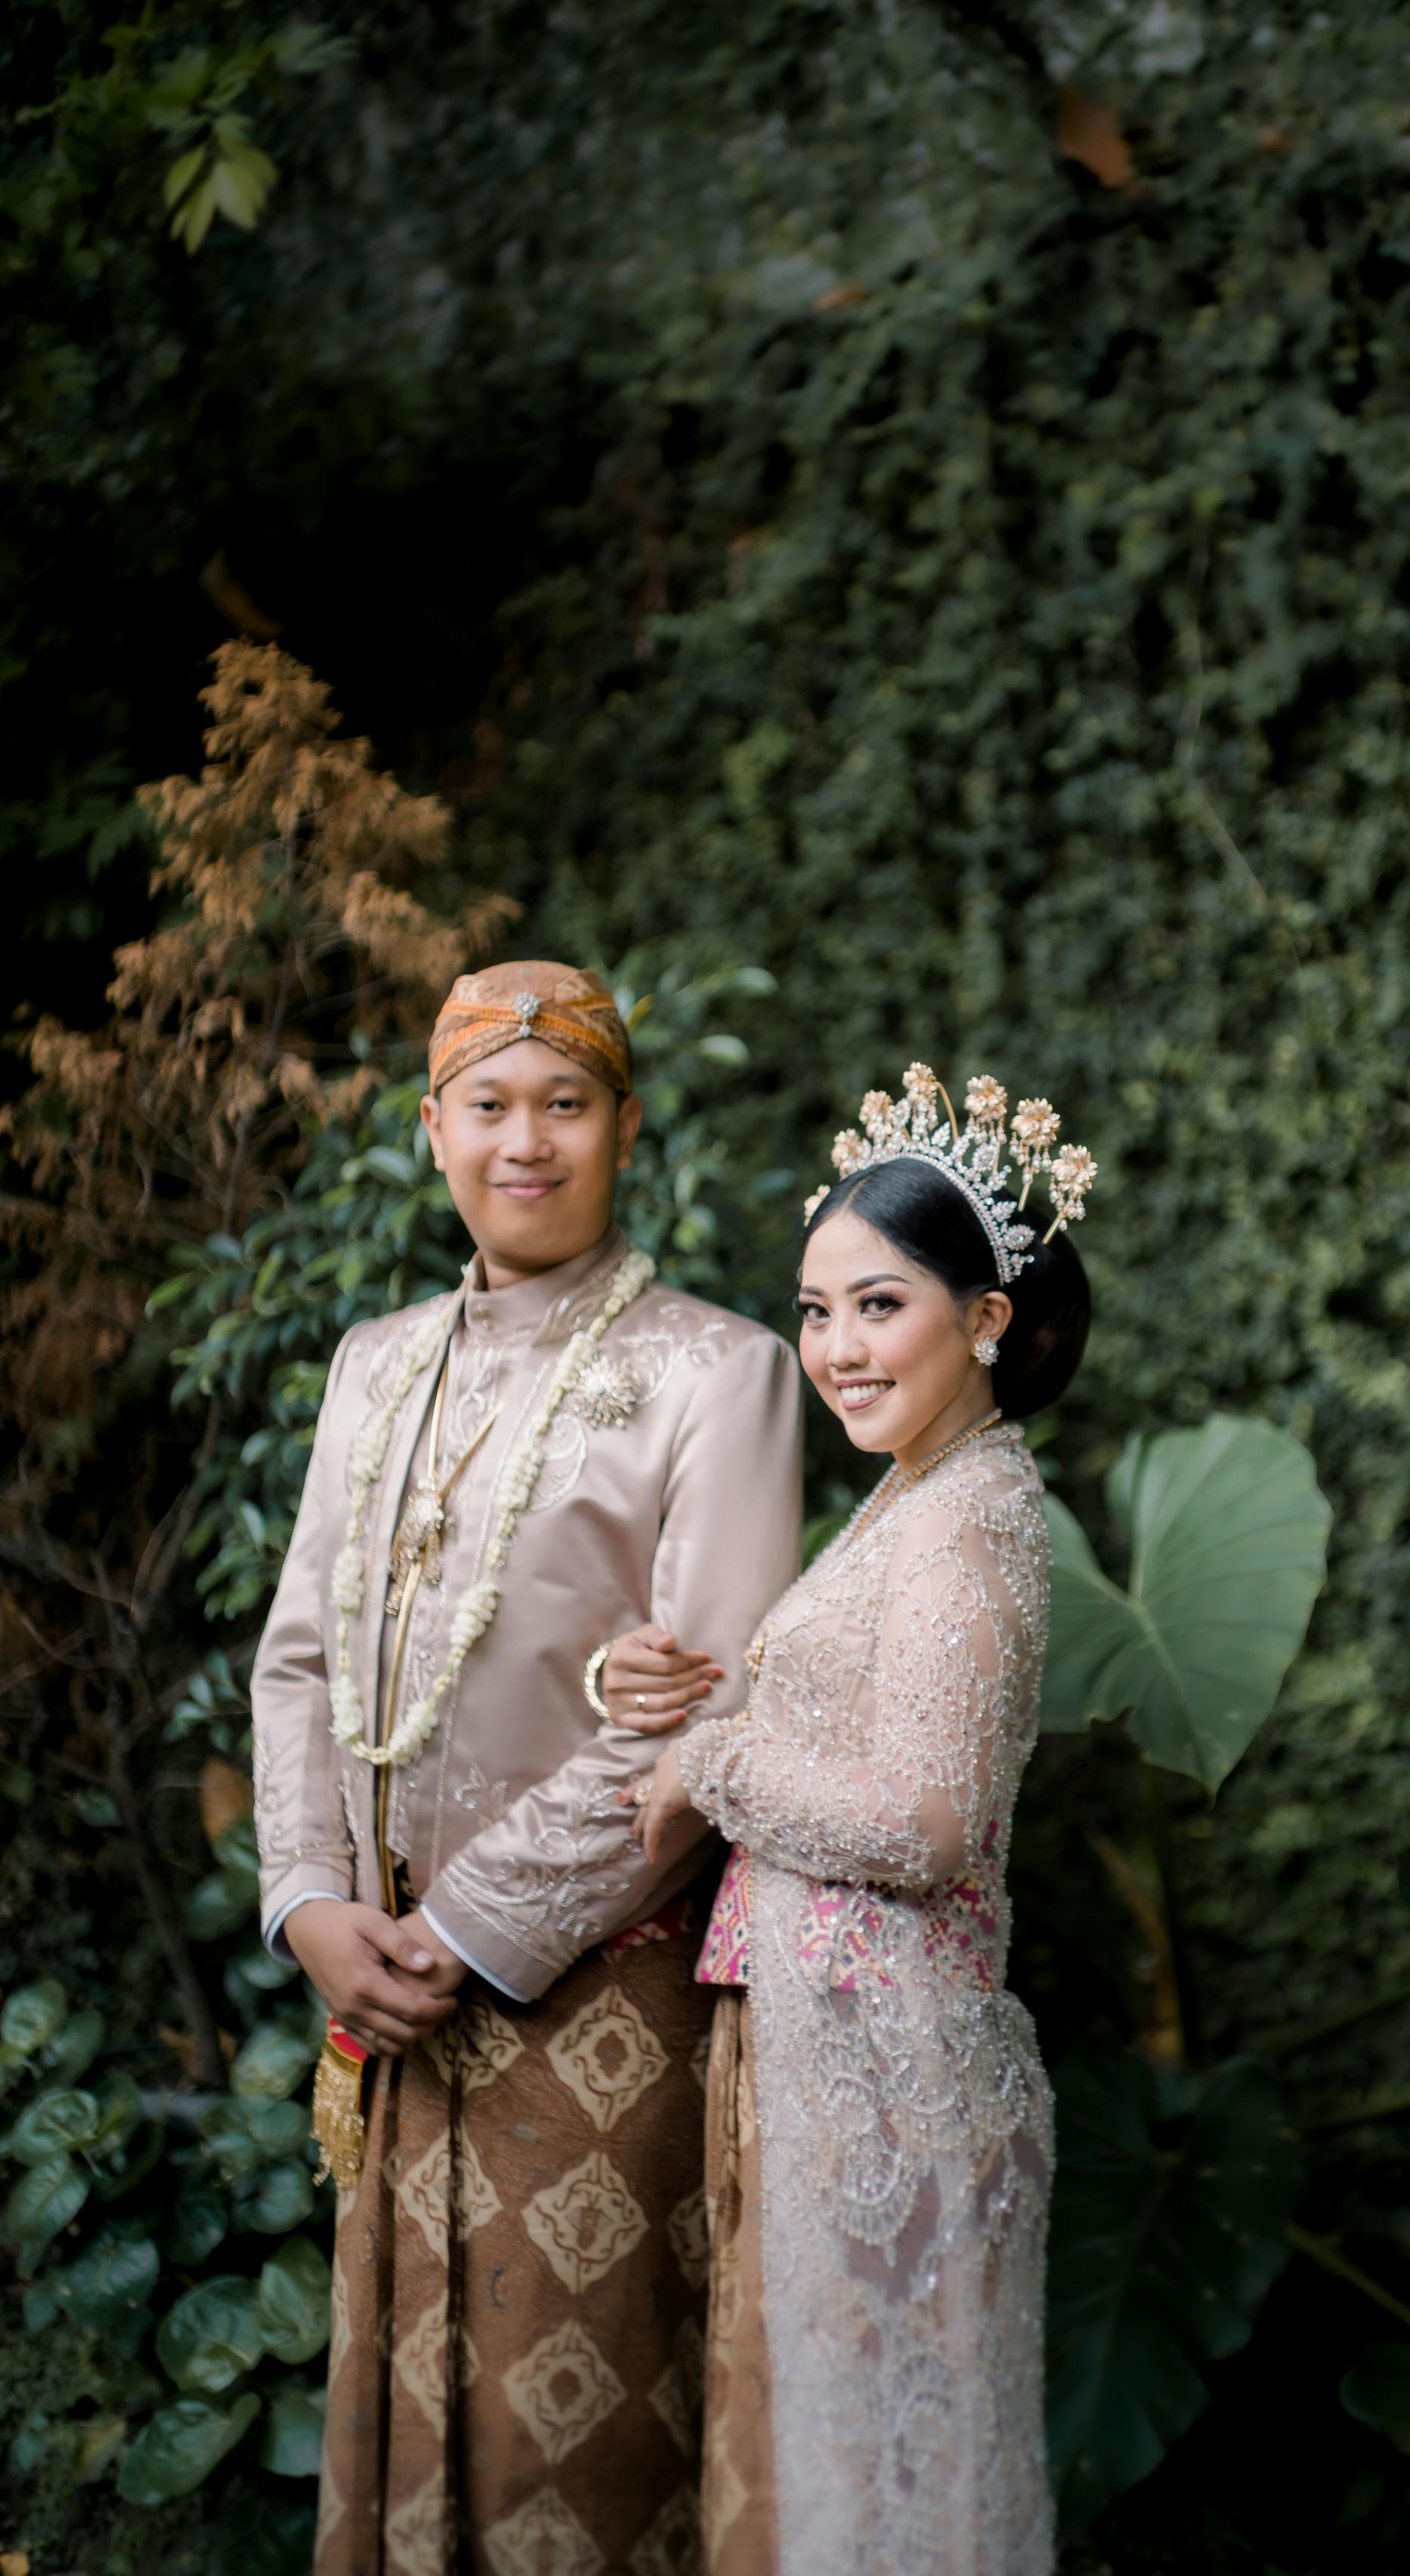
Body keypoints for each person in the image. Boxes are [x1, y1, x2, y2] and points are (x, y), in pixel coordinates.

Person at [249, 959, 802, 2576]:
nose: (527, 1141)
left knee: (578, 2469)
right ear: (432, 1133)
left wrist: (456, 1931)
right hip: (383, 2003)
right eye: (488, 1106)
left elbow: (699, 1720)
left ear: (626, 1129)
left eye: (566, 1104)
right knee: (397, 2441)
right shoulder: (374, 1366)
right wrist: (312, 1910)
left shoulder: (723, 1373)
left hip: (589, 2009)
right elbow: (295, 1662)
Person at [620, 1064, 1096, 2576]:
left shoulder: (969, 1522)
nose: (834, 1348)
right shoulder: (915, 1496)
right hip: (842, 2054)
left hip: (889, 2059)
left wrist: (711, 1763)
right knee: (850, 2484)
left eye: (878, 1305)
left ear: (989, 1317)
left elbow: (927, 1820)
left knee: (894, 2501)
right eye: (816, 1311)